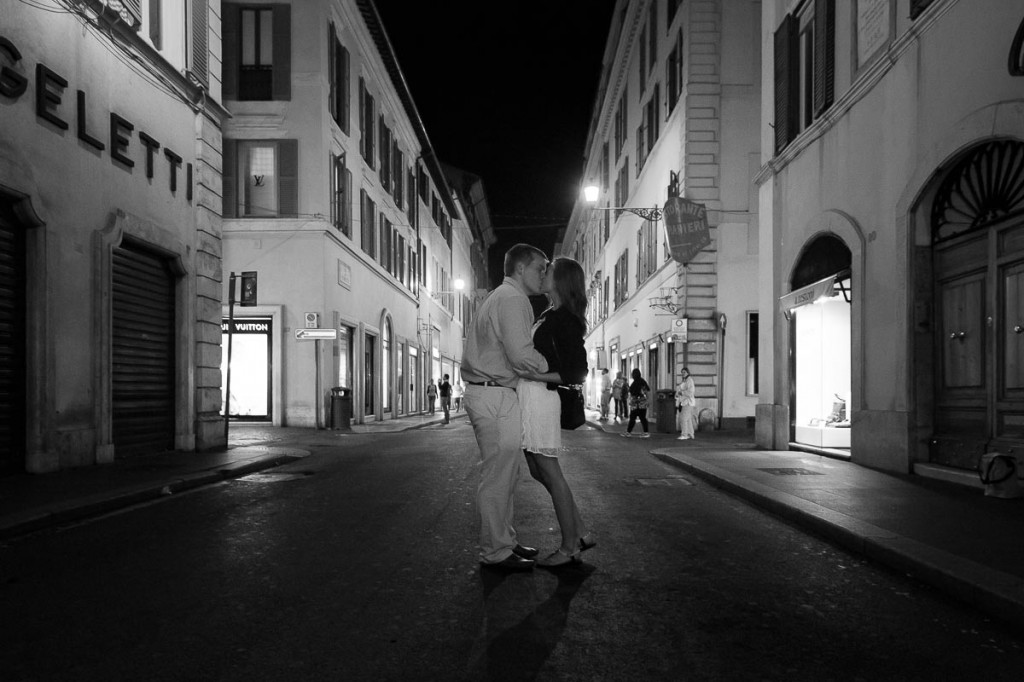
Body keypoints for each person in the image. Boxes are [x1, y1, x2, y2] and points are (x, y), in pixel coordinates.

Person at [462, 244, 551, 571]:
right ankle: (495, 551)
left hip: (493, 392)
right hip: (495, 395)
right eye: (539, 268)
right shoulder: (513, 299)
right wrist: (555, 366)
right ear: (520, 269)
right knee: (499, 477)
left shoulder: (502, 297)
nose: (543, 274)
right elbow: (521, 355)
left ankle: (504, 542)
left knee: (506, 475)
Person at [517, 257, 596, 568]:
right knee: (539, 470)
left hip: (540, 399)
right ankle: (581, 533)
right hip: (531, 398)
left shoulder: (564, 318)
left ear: (561, 279)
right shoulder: (550, 313)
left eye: (548, 269)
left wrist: (535, 376)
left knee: (549, 471)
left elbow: (577, 371)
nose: (543, 272)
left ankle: (568, 547)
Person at [621, 368, 650, 438]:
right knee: (642, 418)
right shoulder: (642, 382)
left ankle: (628, 432)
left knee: (633, 418)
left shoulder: (634, 383)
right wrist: (647, 400)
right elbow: (646, 391)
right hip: (642, 402)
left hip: (635, 403)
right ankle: (646, 432)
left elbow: (632, 392)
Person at [675, 367, 696, 440]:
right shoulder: (685, 381)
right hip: (685, 402)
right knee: (688, 419)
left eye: (684, 372)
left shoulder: (689, 380)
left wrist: (682, 392)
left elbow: (691, 392)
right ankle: (690, 433)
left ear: (688, 373)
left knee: (683, 418)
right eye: (682, 372)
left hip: (688, 402)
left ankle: (684, 434)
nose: (683, 374)